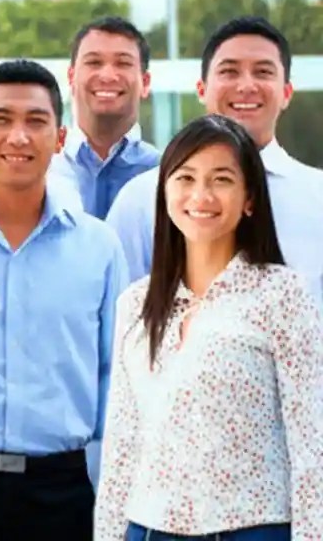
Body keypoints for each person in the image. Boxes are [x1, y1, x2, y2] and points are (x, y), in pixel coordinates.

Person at [96, 114, 323, 540]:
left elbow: (312, 444)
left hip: (252, 529)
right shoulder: (137, 304)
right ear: (165, 190)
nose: (201, 195)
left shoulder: (281, 295)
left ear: (249, 198)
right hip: (148, 530)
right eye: (185, 177)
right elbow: (123, 449)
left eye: (221, 179)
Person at [0, 60, 128, 541]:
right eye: (1, 120)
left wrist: (107, 481)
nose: (18, 137)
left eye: (35, 121)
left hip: (65, 491)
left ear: (60, 137)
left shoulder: (99, 247)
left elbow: (118, 374)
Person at [106, 16, 323, 301]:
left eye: (263, 72)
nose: (247, 85)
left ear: (286, 93)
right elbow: (121, 319)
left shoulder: (317, 196)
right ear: (201, 89)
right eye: (229, 71)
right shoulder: (142, 198)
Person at [49, 17, 160, 219]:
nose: (108, 75)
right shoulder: (43, 173)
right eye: (94, 62)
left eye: (123, 63)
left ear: (145, 82)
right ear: (71, 77)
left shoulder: (167, 174)